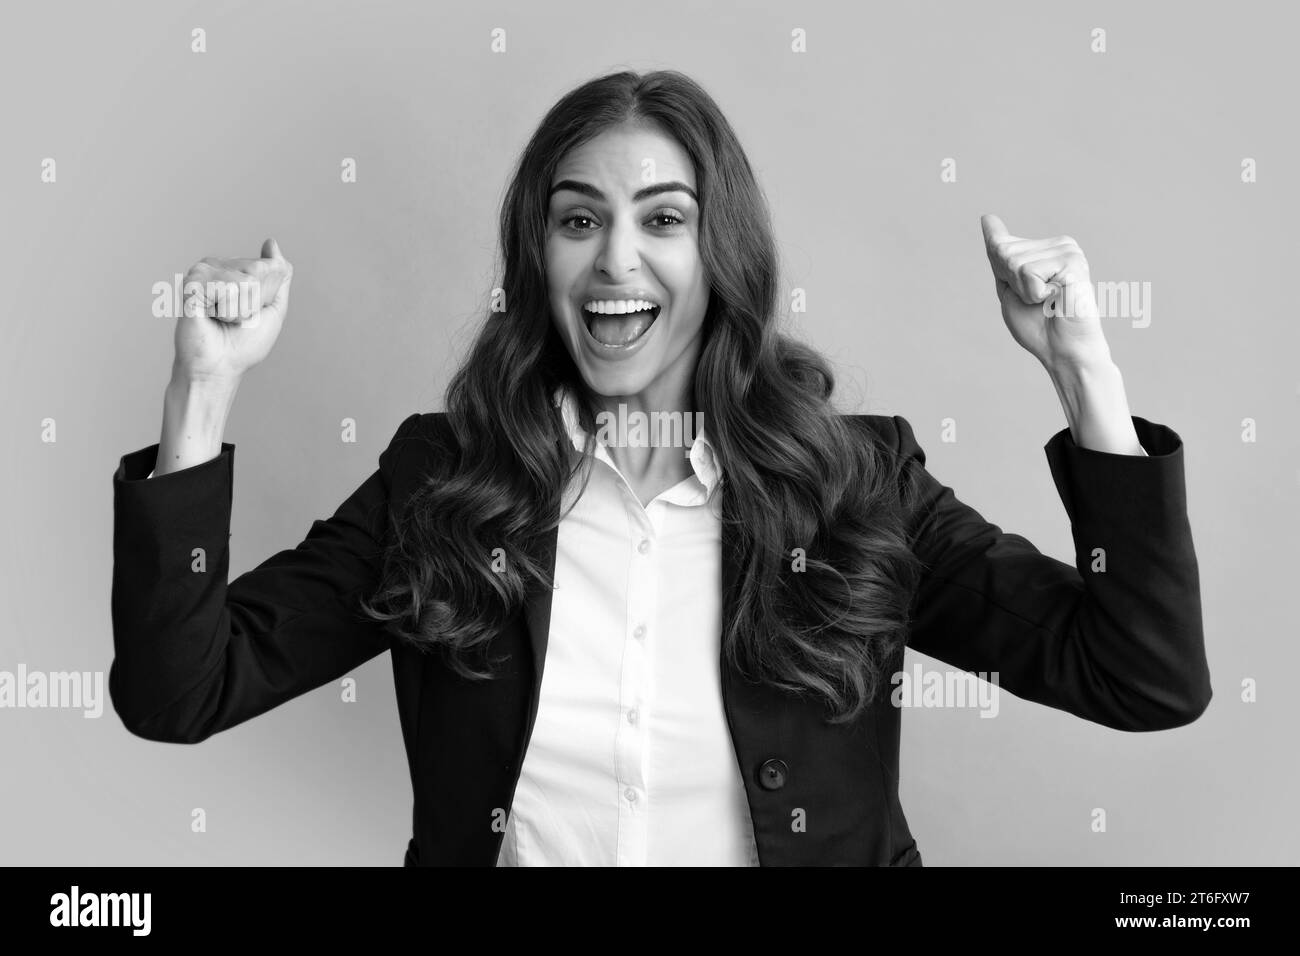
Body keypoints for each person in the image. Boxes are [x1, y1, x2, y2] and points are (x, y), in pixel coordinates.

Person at [110, 69, 1211, 866]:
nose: (615, 259)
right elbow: (181, 691)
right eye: (577, 218)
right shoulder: (442, 479)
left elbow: (1142, 677)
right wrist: (201, 390)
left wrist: (1082, 373)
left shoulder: (850, 480)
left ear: (718, 255)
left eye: (663, 220)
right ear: (536, 258)